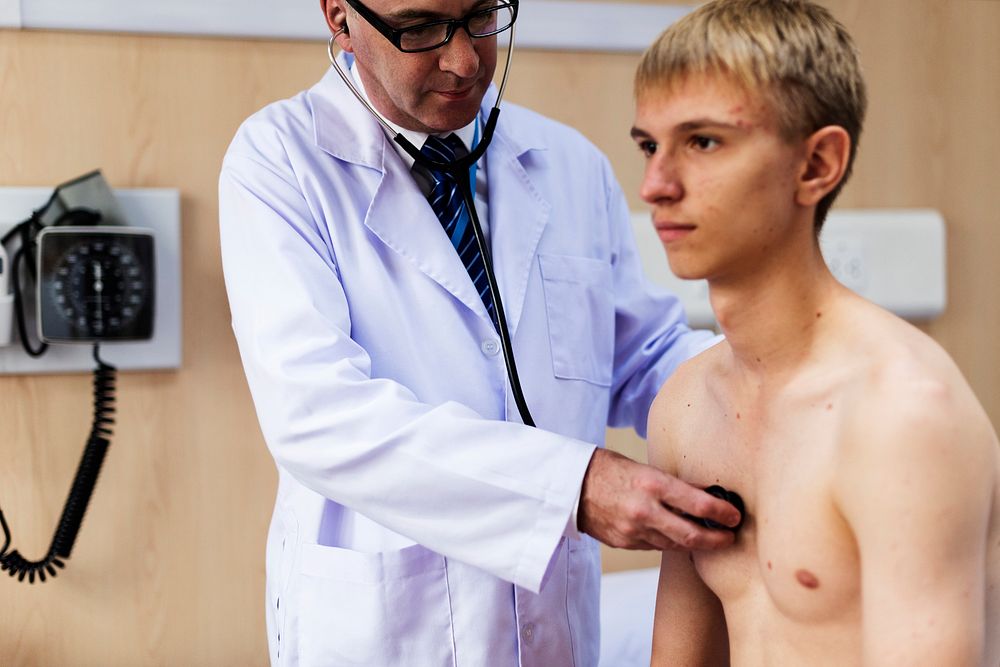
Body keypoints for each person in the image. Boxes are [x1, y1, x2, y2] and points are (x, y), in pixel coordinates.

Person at [218, 1, 744, 664]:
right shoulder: (280, 163)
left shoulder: (568, 164)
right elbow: (317, 414)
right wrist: (571, 488)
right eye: (419, 29)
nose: (464, 60)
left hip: (554, 625)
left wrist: (775, 379)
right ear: (339, 19)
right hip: (389, 632)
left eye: (482, 15)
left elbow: (644, 357)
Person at [634, 0, 1000, 665]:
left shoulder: (903, 413)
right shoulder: (685, 408)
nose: (655, 183)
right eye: (650, 145)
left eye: (704, 141)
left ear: (816, 166)